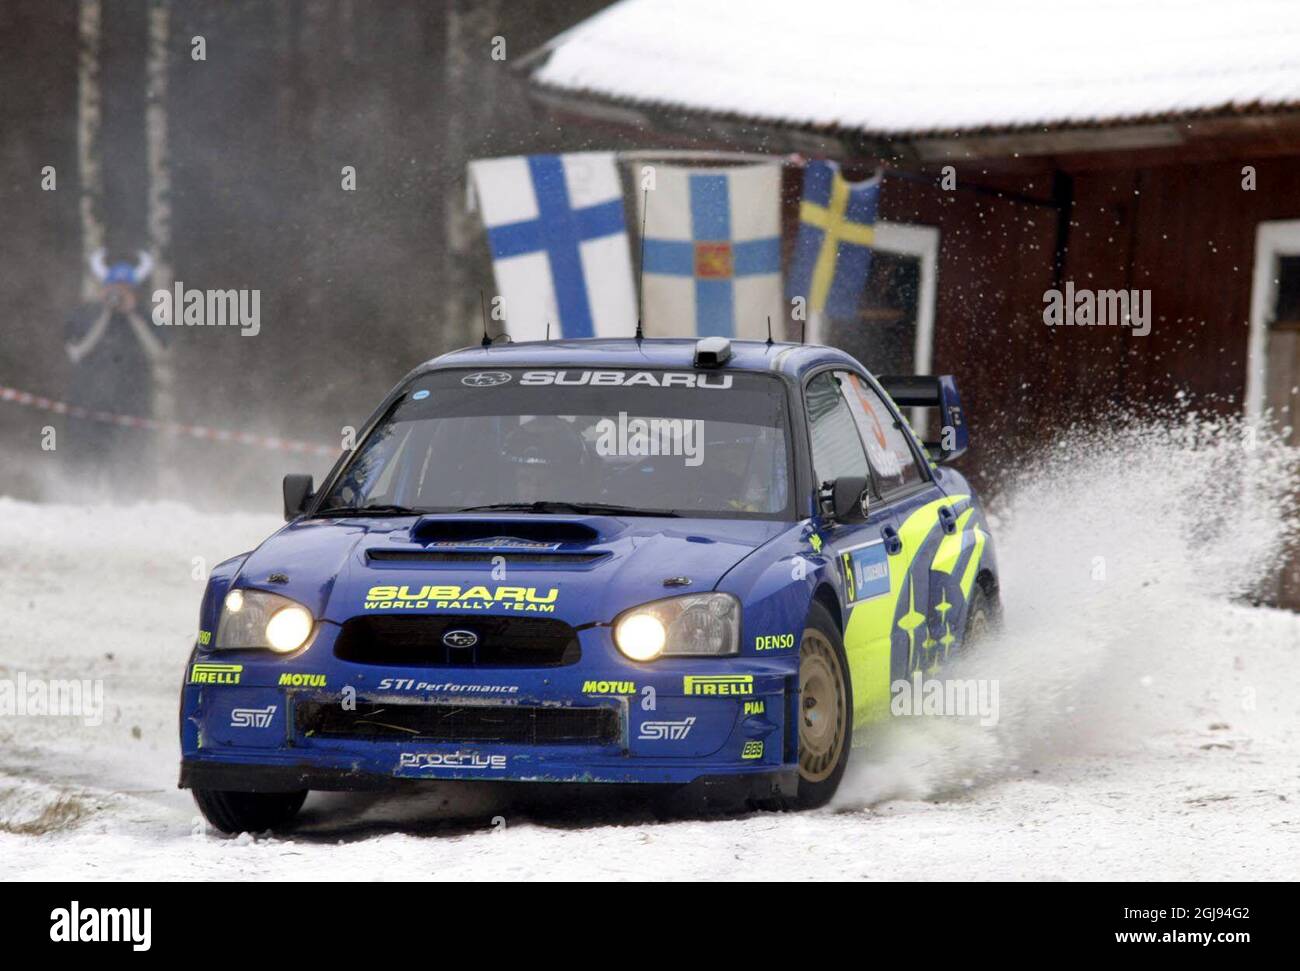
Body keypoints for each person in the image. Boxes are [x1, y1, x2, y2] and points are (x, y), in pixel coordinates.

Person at [64, 250, 166, 495]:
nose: (118, 293)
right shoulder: (85, 314)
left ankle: (130, 504)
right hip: (89, 405)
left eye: (124, 288)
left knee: (130, 463)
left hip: (133, 406)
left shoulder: (146, 317)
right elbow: (77, 351)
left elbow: (157, 351)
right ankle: (82, 502)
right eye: (113, 287)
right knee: (87, 462)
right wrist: (105, 313)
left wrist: (132, 314)